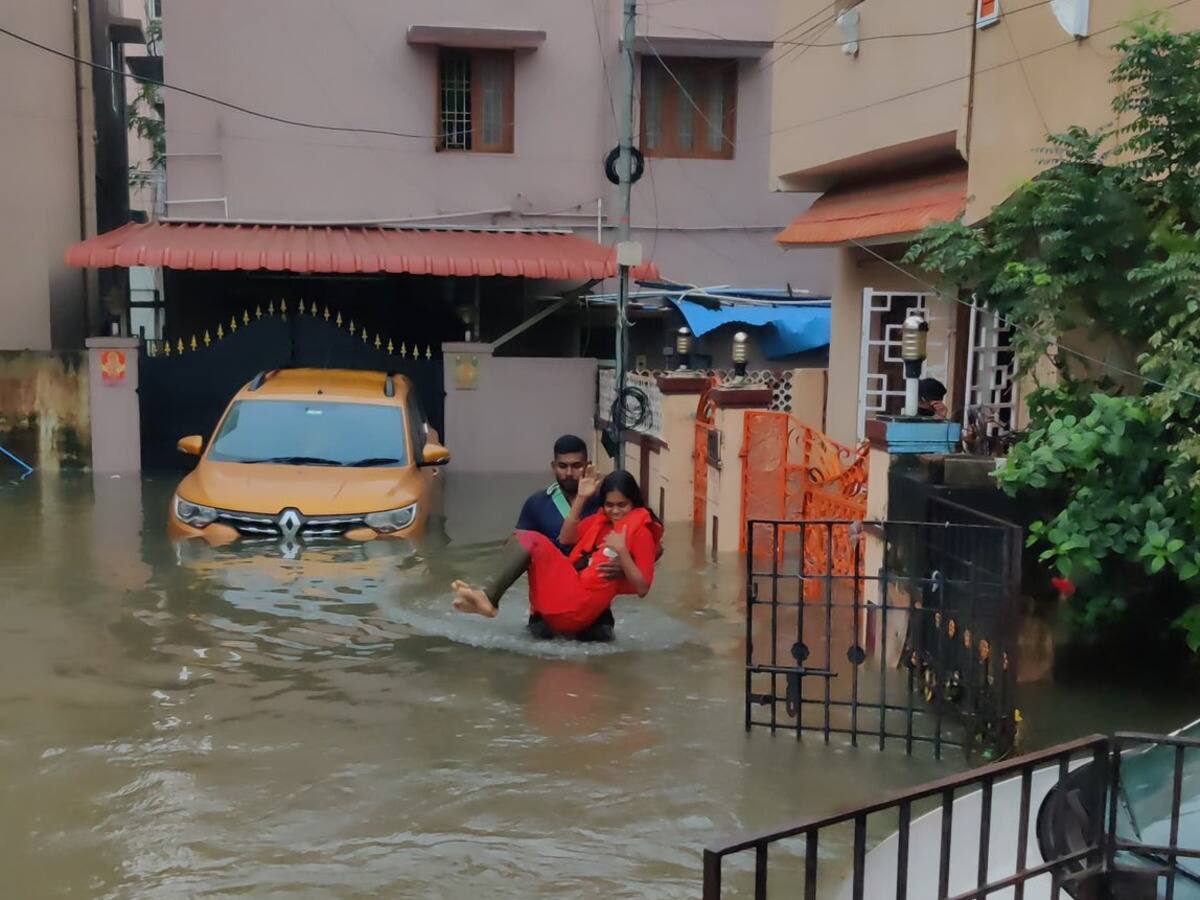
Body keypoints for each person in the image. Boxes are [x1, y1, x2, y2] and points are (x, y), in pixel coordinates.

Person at [452, 470, 662, 642]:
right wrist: (581, 497)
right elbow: (566, 538)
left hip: (578, 608)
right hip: (568, 597)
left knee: (530, 539)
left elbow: (643, 588)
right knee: (521, 538)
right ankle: (488, 598)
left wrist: (623, 554)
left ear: (634, 503)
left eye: (622, 505)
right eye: (609, 505)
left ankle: (488, 600)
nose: (615, 511)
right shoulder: (600, 522)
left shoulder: (640, 533)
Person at [515, 434, 600, 552]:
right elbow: (518, 548)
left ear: (587, 465)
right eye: (562, 466)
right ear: (553, 467)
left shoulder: (603, 500)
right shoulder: (536, 504)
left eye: (577, 466)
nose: (569, 473)